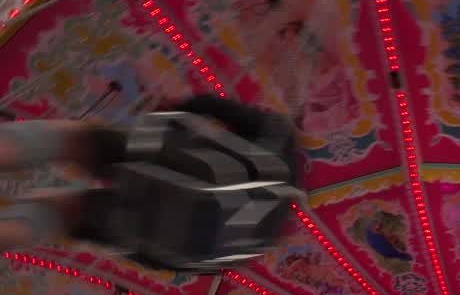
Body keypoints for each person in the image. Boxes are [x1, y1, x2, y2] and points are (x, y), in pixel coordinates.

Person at [0, 94, 298, 260]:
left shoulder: (283, 149)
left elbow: (214, 107)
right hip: (169, 234)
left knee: (72, 140)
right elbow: (162, 259)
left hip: (183, 165)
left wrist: (170, 117)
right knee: (63, 213)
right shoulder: (258, 242)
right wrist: (93, 231)